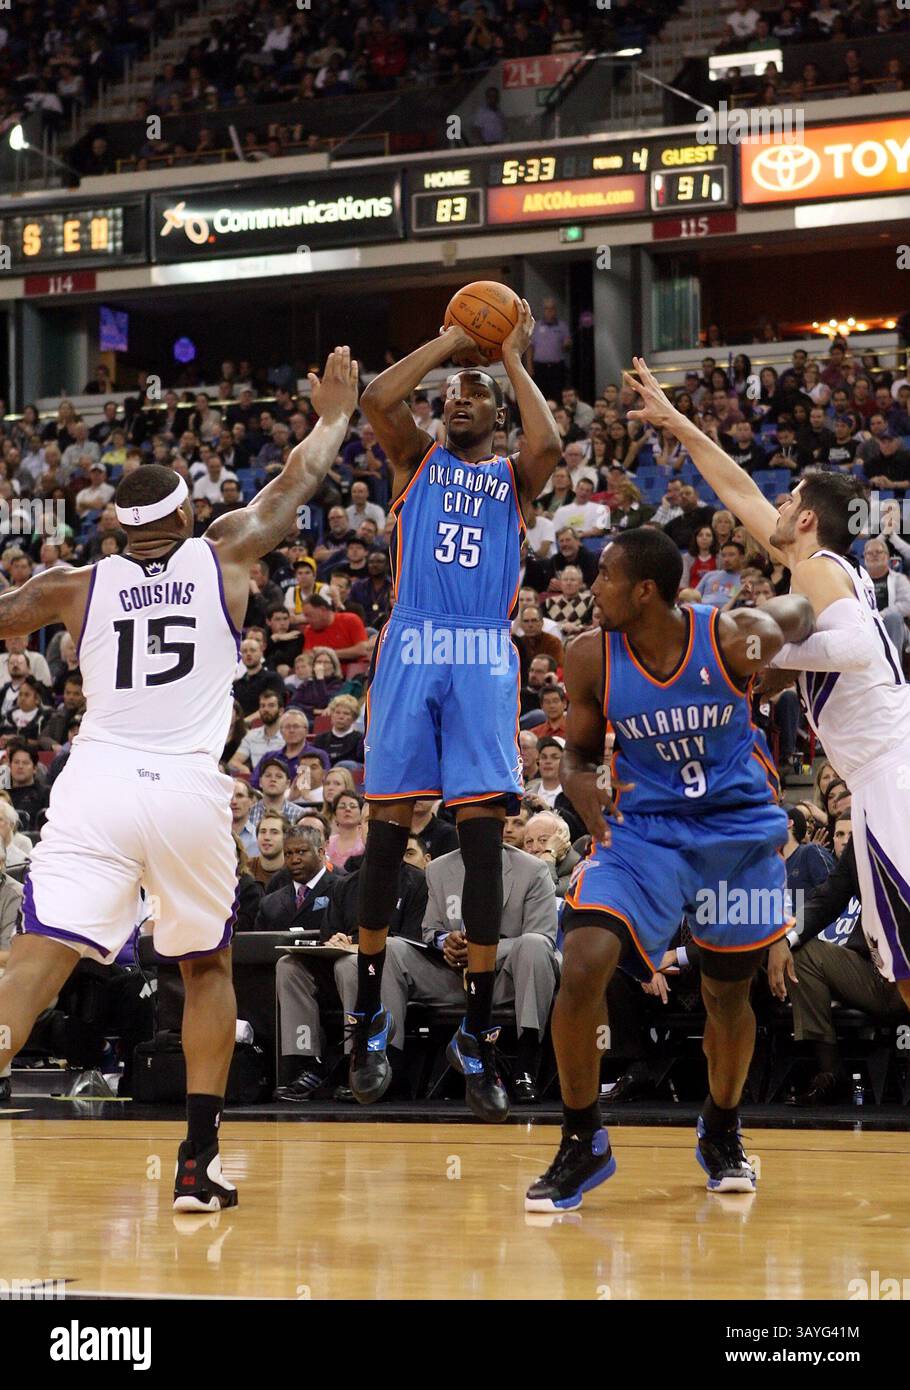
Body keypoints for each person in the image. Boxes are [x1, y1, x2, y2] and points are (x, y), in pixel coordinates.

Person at [0, 347, 358, 1211]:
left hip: (95, 783)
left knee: (36, 959)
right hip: (187, 790)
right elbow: (295, 483)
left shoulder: (73, 585)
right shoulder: (223, 551)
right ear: (190, 511)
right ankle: (198, 1163)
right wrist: (336, 414)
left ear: (115, 524)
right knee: (204, 966)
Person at [525, 527, 814, 1211]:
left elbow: (802, 613)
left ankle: (721, 1124)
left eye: (603, 578)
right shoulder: (590, 655)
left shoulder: (733, 637)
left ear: (644, 590)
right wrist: (580, 779)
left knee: (726, 995)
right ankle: (582, 1138)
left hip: (736, 834)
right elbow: (581, 754)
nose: (591, 589)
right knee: (584, 957)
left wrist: (766, 682)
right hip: (643, 834)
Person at [626, 355, 910, 1008]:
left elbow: (862, 647)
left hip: (889, 770)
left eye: (789, 500)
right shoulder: (825, 570)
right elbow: (739, 491)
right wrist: (677, 422)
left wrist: (766, 658)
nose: (776, 505)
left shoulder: (815, 572)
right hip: (882, 768)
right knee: (898, 958)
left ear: (807, 518)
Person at [350, 300, 561, 1119]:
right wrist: (449, 341)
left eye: (474, 394)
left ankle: (477, 1033)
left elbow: (546, 444)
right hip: (411, 640)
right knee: (384, 832)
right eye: (450, 394)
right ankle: (367, 1014)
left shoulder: (514, 475)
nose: (456, 401)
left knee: (480, 844)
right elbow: (376, 398)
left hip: (480, 650)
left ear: (500, 412)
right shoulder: (415, 459)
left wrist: (506, 357)